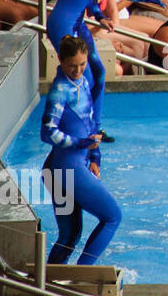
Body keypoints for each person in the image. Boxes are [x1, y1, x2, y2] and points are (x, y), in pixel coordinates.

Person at [41, 35, 120, 264]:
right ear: (60, 60)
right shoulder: (60, 90)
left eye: (82, 65)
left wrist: (94, 156)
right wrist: (81, 144)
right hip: (68, 168)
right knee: (113, 217)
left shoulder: (83, 81)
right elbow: (47, 133)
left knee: (69, 235)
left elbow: (91, 122)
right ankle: (82, 276)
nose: (77, 70)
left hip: (61, 168)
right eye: (72, 66)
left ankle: (50, 283)